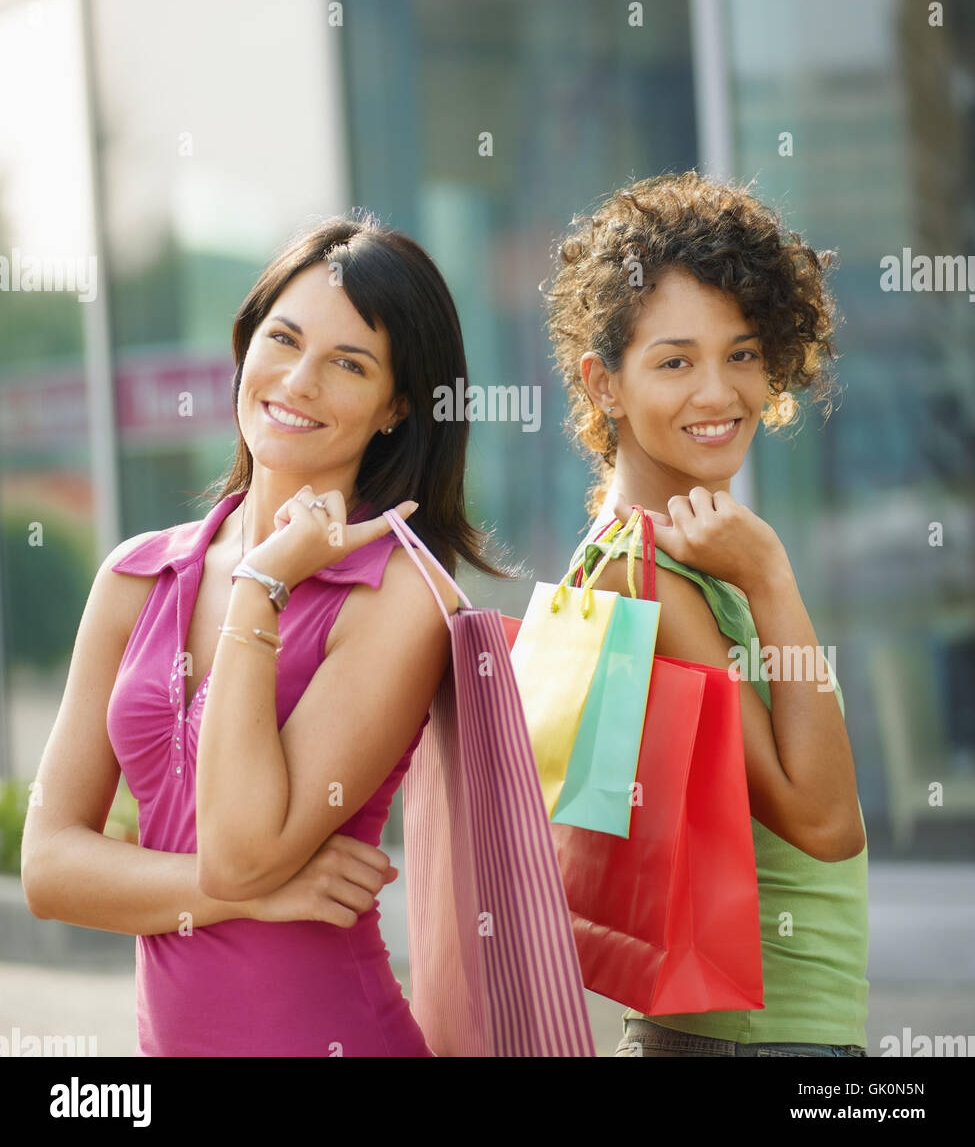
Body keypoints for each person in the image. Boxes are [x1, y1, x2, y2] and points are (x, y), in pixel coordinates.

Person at [21, 213, 505, 1057]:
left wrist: (261, 587)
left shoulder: (395, 596)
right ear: (245, 345)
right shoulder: (137, 576)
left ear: (396, 405)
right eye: (282, 340)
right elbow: (51, 868)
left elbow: (242, 853)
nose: (299, 381)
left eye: (348, 364)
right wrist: (249, 896)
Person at [544, 171, 869, 1057]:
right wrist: (770, 577)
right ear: (603, 384)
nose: (718, 393)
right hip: (759, 1037)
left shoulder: (644, 552)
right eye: (674, 361)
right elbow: (825, 824)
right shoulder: (659, 575)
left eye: (742, 353)